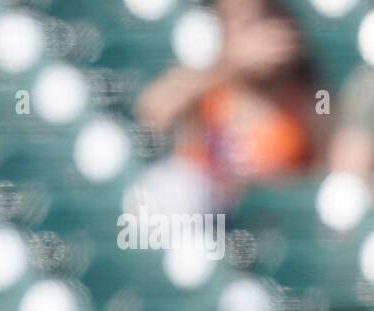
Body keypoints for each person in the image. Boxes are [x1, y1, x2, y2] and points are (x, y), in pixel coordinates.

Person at [133, 0, 323, 212]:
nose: (256, 38)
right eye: (243, 24)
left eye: (261, 21)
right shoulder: (203, 84)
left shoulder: (310, 96)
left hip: (272, 224)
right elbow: (151, 113)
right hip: (204, 222)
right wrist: (229, 65)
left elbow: (323, 173)